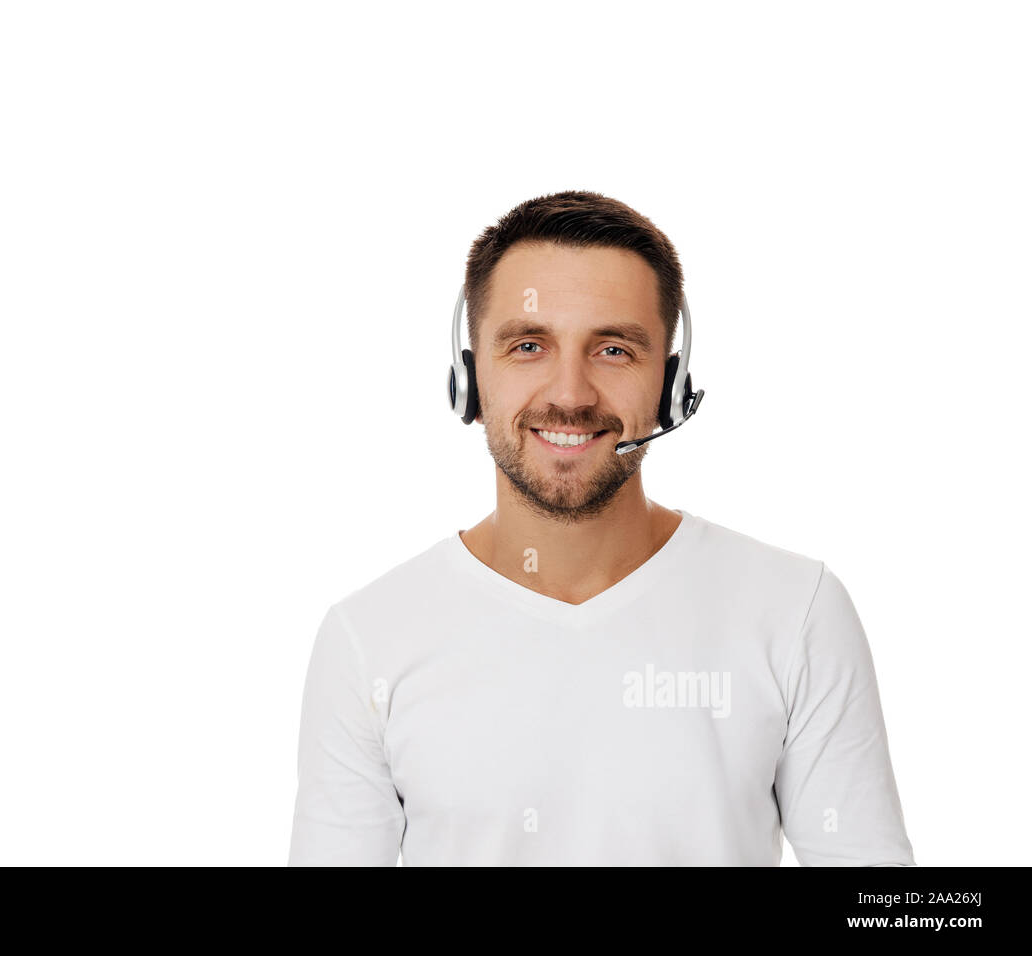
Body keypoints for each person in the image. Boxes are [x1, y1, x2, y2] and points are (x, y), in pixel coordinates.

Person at [287, 190, 915, 866]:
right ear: (469, 379)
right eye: (528, 345)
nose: (570, 394)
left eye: (613, 349)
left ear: (671, 386)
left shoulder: (797, 612)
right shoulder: (369, 640)